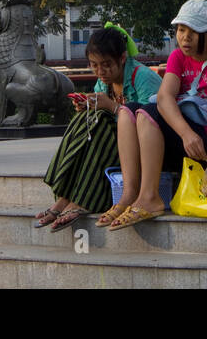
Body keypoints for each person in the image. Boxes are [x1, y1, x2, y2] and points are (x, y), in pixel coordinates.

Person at [108, 0, 207, 230]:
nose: (185, 37)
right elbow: (165, 97)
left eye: (193, 31)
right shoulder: (178, 57)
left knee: (148, 114)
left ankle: (150, 198)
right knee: (129, 112)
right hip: (188, 140)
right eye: (181, 30)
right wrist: (186, 134)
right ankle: (129, 195)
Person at [36, 24, 161, 232]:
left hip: (141, 148)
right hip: (113, 142)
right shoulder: (104, 82)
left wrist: (112, 106)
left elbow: (152, 120)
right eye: (94, 65)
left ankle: (81, 200)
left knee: (100, 125)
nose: (100, 72)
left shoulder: (142, 78)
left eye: (106, 65)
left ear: (122, 59)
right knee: (84, 121)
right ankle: (64, 198)